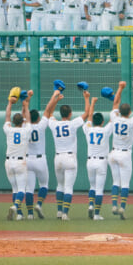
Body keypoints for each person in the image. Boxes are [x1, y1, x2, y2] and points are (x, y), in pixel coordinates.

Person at [44, 86, 84, 220]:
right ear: (70, 113)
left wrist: (56, 99)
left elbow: (49, 113)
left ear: (61, 114)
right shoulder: (72, 124)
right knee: (68, 187)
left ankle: (59, 211)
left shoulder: (54, 124)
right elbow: (87, 113)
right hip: (70, 158)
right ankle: (65, 213)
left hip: (58, 158)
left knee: (60, 185)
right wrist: (87, 98)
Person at [108, 80, 133, 219]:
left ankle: (114, 204)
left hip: (113, 153)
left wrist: (120, 88)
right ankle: (122, 208)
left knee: (116, 181)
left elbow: (115, 103)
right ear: (129, 112)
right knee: (125, 183)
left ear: (120, 112)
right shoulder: (131, 121)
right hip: (125, 154)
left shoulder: (114, 118)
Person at [81, 88, 111, 220]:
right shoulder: (105, 130)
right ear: (102, 122)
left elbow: (88, 116)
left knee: (92, 186)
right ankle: (97, 214)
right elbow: (114, 118)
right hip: (101, 162)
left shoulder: (88, 129)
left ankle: (91, 205)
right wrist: (114, 99)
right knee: (99, 189)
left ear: (93, 121)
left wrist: (91, 102)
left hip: (90, 162)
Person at [3, 89, 33, 221]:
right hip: (20, 163)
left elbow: (7, 116)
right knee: (22, 189)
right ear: (22, 121)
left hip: (9, 163)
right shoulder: (26, 130)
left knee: (15, 189)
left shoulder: (8, 130)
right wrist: (25, 104)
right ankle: (16, 207)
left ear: (14, 122)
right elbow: (28, 119)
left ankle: (19, 214)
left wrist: (10, 103)